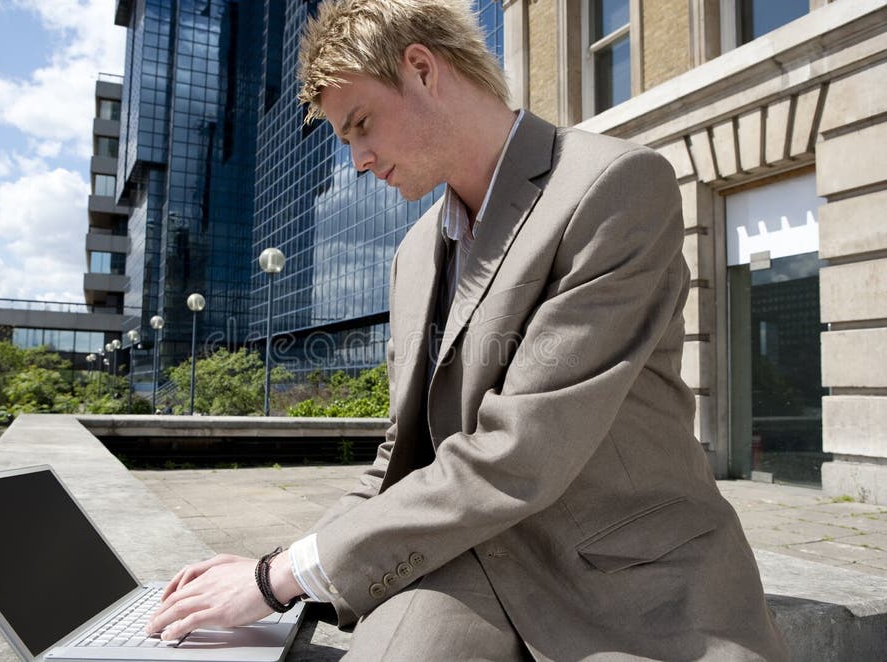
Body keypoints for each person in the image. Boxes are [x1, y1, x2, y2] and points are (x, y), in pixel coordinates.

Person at [147, 1, 790, 659]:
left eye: (362, 124)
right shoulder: (414, 254)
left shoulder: (614, 186)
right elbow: (397, 462)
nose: (360, 159)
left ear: (422, 69)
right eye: (346, 140)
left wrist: (277, 580)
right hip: (466, 559)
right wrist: (285, 569)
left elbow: (520, 454)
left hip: (625, 586)